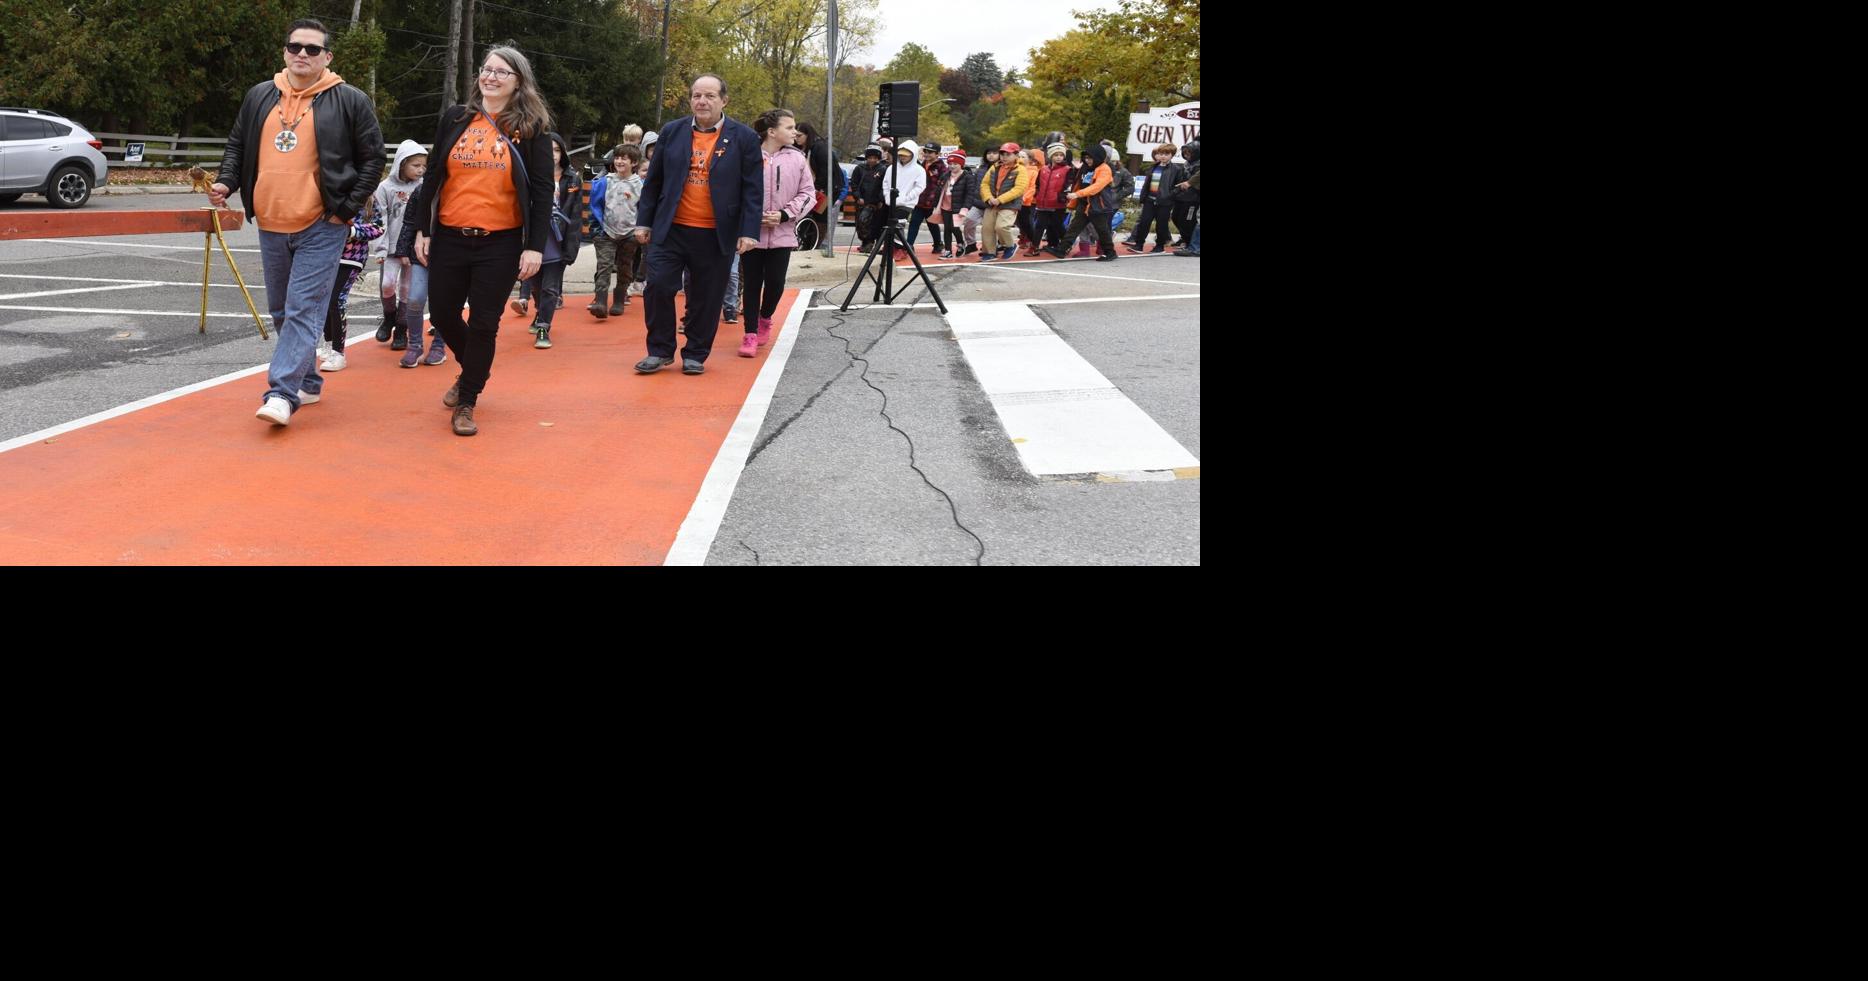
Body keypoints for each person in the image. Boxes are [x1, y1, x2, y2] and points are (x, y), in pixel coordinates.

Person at [209, 18, 383, 427]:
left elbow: (373, 158)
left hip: (323, 222)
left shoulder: (350, 100)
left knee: (303, 308)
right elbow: (238, 144)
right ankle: (308, 380)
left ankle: (282, 394)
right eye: (294, 47)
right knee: (282, 312)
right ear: (284, 51)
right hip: (270, 220)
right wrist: (226, 181)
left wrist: (346, 208)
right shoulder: (259, 96)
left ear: (327, 57)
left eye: (312, 49)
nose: (301, 54)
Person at [407, 45, 554, 436]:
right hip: (451, 237)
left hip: (501, 242)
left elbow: (542, 193)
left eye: (501, 72)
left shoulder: (532, 128)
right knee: (441, 314)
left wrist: (534, 246)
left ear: (518, 81)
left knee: (486, 323)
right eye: (486, 70)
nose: (490, 77)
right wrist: (423, 229)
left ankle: (468, 399)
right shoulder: (457, 117)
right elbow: (433, 176)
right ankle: (477, 367)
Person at [631, 73, 761, 376]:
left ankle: (696, 353)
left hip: (717, 232)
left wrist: (749, 230)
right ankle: (660, 350)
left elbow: (753, 188)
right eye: (696, 96)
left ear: (724, 100)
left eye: (709, 96)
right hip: (671, 228)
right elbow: (654, 181)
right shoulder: (672, 132)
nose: (701, 101)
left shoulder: (743, 138)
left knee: (706, 295)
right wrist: (643, 221)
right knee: (659, 286)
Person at [734, 108, 814, 358]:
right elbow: (735, 191)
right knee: (751, 284)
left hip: (783, 234)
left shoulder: (797, 158)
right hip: (751, 234)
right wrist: (750, 217)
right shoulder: (747, 157)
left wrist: (784, 214)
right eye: (789, 128)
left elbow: (808, 193)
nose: (795, 132)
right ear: (772, 131)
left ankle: (765, 318)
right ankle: (749, 333)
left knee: (776, 283)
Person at [372, 139, 432, 366]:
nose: (421, 170)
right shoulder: (385, 187)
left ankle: (401, 327)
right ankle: (389, 318)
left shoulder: (423, 187)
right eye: (415, 165)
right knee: (388, 284)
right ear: (401, 164)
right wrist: (381, 247)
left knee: (407, 290)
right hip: (390, 248)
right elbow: (381, 219)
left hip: (411, 249)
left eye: (423, 166)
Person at [529, 132, 581, 349]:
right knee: (535, 285)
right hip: (534, 238)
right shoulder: (529, 175)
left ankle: (543, 326)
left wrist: (572, 246)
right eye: (547, 150)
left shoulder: (572, 178)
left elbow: (576, 214)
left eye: (557, 150)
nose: (552, 154)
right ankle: (540, 311)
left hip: (558, 238)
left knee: (550, 288)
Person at [317, 200, 383, 371]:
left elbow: (379, 227)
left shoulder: (367, 198)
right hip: (327, 253)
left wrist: (352, 230)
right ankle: (329, 342)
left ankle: (338, 353)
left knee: (336, 300)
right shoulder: (329, 193)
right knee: (323, 299)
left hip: (352, 256)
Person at [388, 172, 444, 367]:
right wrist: (402, 249)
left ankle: (439, 345)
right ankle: (415, 346)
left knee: (444, 303)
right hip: (422, 255)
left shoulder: (459, 190)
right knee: (414, 299)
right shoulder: (421, 191)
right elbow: (409, 221)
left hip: (450, 256)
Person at [586, 143, 642, 319]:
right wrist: (596, 229)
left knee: (625, 267)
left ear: (634, 163)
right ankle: (601, 301)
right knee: (604, 265)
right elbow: (595, 205)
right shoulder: (605, 182)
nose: (619, 161)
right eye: (617, 158)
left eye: (623, 158)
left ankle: (619, 298)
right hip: (606, 232)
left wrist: (642, 229)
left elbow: (645, 208)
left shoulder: (640, 184)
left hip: (630, 233)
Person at [1124, 143, 1186, 254]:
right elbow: (1147, 183)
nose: (1163, 156)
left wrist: (1169, 196)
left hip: (1165, 202)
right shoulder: (1154, 167)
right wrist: (1143, 197)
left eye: (1166, 154)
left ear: (1172, 155)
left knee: (1161, 225)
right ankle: (1139, 245)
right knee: (1144, 222)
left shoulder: (1177, 169)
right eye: (1161, 153)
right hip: (1150, 200)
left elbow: (1179, 187)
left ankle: (1159, 247)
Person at [976, 141, 1029, 261]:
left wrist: (1000, 200)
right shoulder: (995, 167)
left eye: (1008, 154)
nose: (1004, 157)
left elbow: (1019, 189)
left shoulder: (1021, 169)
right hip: (992, 203)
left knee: (1002, 226)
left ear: (1016, 155)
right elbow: (984, 184)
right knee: (987, 228)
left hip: (1010, 204)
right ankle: (989, 252)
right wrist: (988, 198)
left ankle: (1010, 245)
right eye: (1002, 154)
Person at [1065, 142, 1117, 262]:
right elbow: (1078, 183)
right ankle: (1062, 249)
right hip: (1084, 203)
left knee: (1101, 230)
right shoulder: (1085, 168)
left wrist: (1076, 194)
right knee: (1074, 227)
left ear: (1098, 157)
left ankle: (1110, 252)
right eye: (1086, 158)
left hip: (1098, 205)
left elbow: (1096, 187)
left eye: (1090, 158)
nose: (1088, 160)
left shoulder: (1105, 169)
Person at [881, 139, 927, 259]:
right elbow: (885, 183)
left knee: (898, 224)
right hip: (891, 202)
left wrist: (907, 198)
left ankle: (901, 249)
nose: (903, 158)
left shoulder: (919, 170)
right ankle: (890, 247)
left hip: (907, 203)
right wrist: (887, 196)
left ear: (913, 154)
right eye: (900, 155)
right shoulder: (892, 168)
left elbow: (920, 187)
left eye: (906, 156)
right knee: (889, 224)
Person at [906, 141, 948, 256]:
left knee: (932, 224)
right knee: (914, 222)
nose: (927, 154)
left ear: (937, 154)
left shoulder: (942, 168)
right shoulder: (921, 164)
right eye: (925, 151)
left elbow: (941, 186)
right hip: (919, 200)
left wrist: (935, 201)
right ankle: (909, 245)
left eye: (930, 152)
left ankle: (938, 244)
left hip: (932, 202)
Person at [1034, 142, 1073, 258]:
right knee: (1040, 225)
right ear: (1051, 156)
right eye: (1056, 155)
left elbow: (1069, 185)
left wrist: (1061, 197)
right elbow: (1038, 184)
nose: (1059, 157)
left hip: (1058, 204)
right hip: (1042, 203)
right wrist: (1037, 195)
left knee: (1057, 224)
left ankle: (1066, 244)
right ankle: (1035, 246)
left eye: (1061, 155)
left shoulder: (1068, 169)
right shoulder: (1043, 169)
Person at [937, 150, 975, 259]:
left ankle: (960, 243)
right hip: (945, 206)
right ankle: (948, 250)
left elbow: (970, 194)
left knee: (954, 227)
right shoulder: (945, 175)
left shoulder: (967, 177)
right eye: (950, 163)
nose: (952, 166)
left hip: (958, 207)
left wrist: (965, 207)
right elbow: (939, 190)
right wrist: (936, 204)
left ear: (961, 164)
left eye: (955, 164)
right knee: (947, 228)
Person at [854, 144, 886, 251]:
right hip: (862, 201)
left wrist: (881, 199)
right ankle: (865, 242)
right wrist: (858, 196)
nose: (872, 160)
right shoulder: (859, 169)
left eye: (875, 158)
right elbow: (854, 184)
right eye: (870, 157)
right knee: (861, 222)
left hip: (875, 202)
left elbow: (884, 185)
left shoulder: (882, 169)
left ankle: (871, 242)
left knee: (873, 223)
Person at [1173, 138, 1200, 256]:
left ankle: (1193, 246)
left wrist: (1189, 183)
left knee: (1189, 221)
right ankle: (1187, 240)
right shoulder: (1187, 164)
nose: (1187, 155)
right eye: (1185, 153)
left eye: (1190, 153)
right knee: (1176, 217)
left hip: (1194, 197)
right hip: (1184, 196)